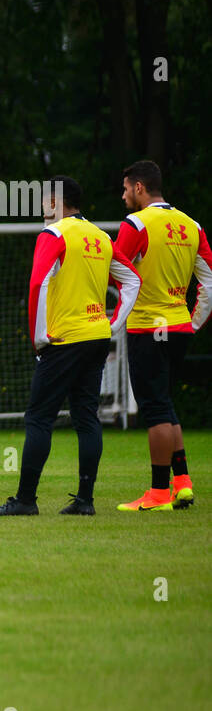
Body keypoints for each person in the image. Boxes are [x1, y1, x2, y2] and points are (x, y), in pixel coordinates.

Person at [0, 176, 140, 517]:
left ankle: (26, 500)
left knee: (39, 418)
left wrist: (39, 336)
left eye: (44, 201)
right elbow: (132, 279)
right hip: (96, 336)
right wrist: (114, 324)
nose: (42, 208)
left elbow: (38, 283)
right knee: (87, 418)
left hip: (64, 339)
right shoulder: (100, 236)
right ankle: (85, 500)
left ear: (56, 202)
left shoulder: (53, 234)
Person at [111, 160, 212, 511]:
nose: (123, 196)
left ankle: (157, 493)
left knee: (154, 409)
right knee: (166, 405)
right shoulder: (191, 225)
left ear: (140, 187)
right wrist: (193, 322)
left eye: (126, 189)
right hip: (179, 325)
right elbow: (209, 281)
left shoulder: (137, 224)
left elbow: (118, 270)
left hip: (147, 327)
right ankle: (182, 483)